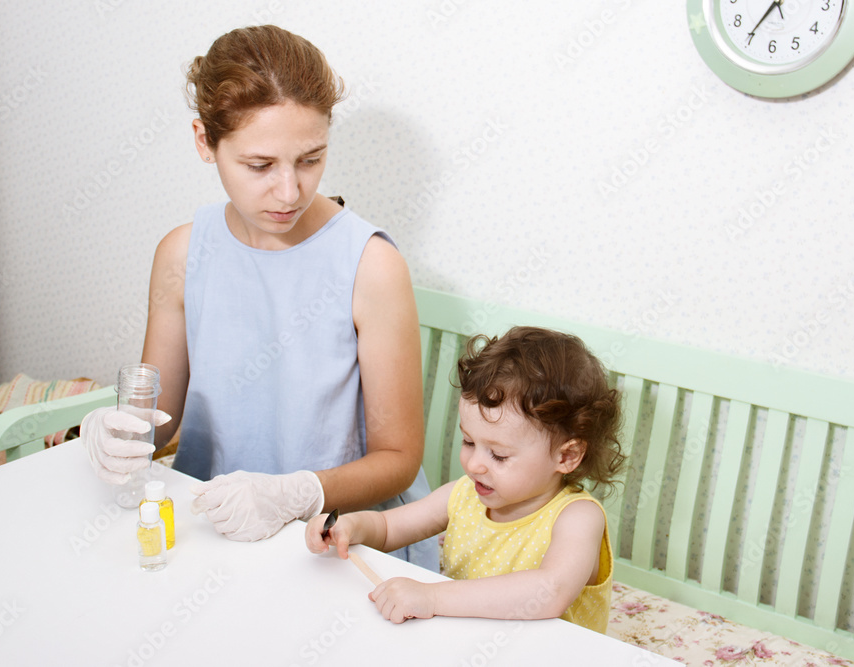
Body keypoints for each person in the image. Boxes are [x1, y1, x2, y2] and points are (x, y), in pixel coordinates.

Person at [80, 25, 435, 565]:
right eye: (260, 165)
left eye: (311, 159)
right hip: (213, 526)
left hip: (341, 539)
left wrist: (297, 493)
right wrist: (112, 433)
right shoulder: (181, 255)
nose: (289, 192)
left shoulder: (371, 265)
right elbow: (158, 419)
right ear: (205, 141)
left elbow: (399, 460)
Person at [305, 326, 626, 632]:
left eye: (498, 455)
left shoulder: (578, 517)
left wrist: (432, 597)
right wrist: (351, 527)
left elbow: (549, 591)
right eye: (469, 441)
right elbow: (389, 528)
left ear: (566, 456)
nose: (473, 465)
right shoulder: (463, 495)